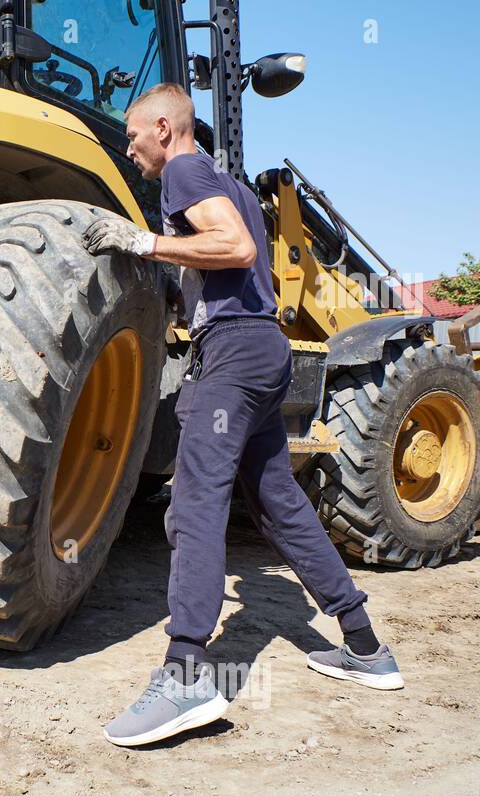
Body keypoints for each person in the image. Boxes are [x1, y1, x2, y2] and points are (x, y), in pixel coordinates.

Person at [82, 83, 404, 749]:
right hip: (265, 350)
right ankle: (366, 645)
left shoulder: (183, 171)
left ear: (165, 127)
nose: (130, 146)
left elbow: (233, 250)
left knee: (194, 500)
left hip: (231, 354)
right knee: (279, 501)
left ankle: (187, 671)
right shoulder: (229, 185)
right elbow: (230, 255)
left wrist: (142, 243)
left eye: (135, 135)